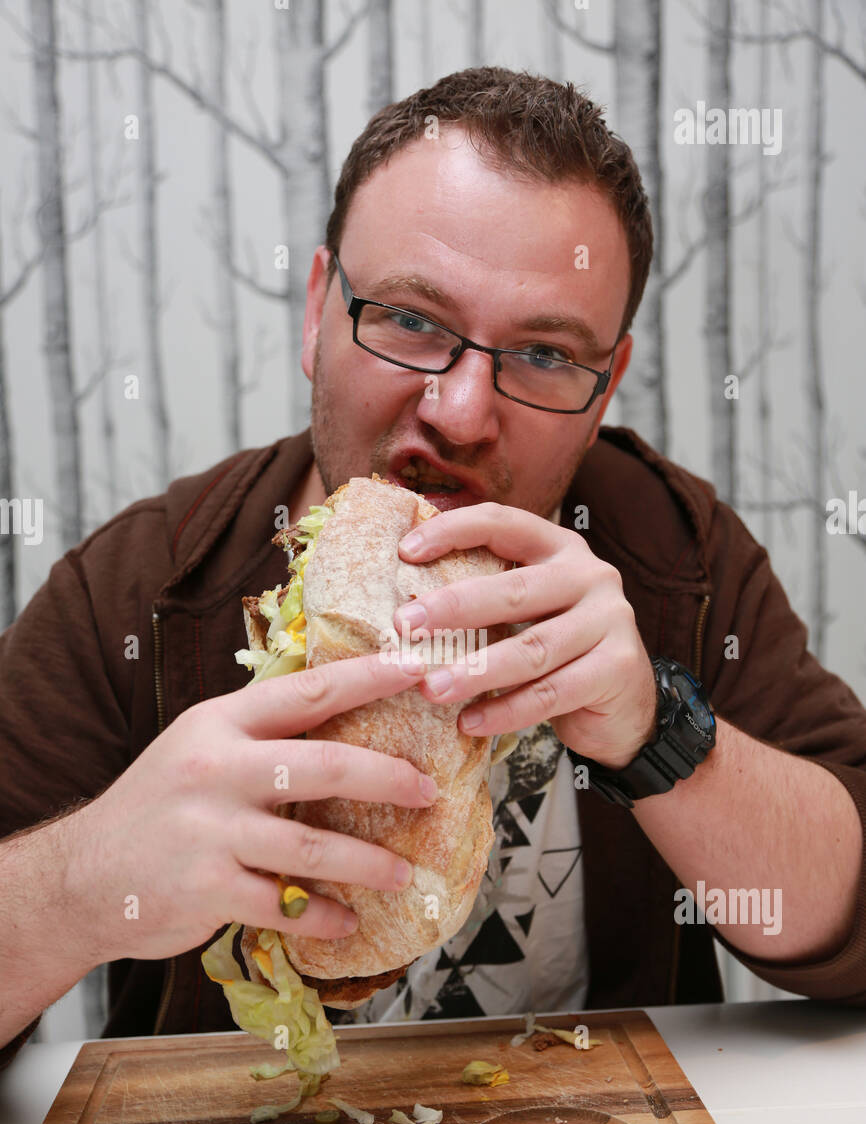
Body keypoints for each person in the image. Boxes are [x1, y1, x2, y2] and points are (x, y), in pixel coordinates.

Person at [2, 68, 865, 1067]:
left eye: (543, 354)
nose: (459, 412)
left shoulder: (675, 559)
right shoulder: (139, 588)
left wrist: (654, 732)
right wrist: (80, 881)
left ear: (603, 389)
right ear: (319, 309)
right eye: (411, 320)